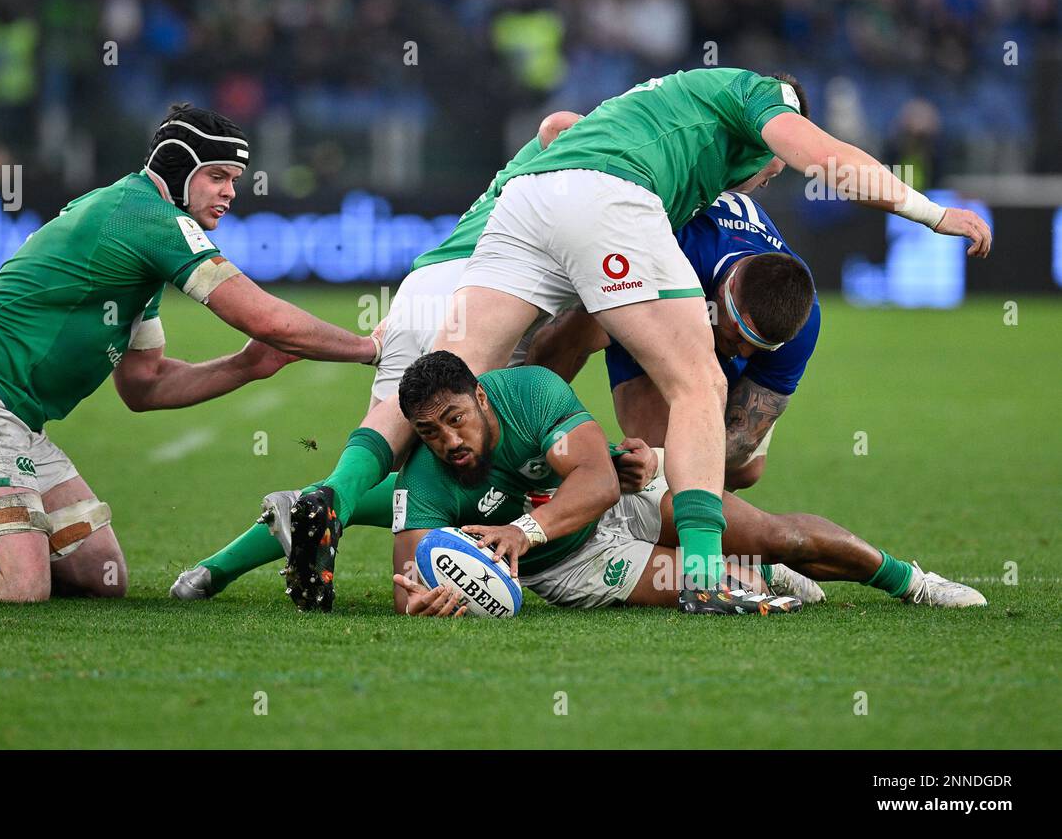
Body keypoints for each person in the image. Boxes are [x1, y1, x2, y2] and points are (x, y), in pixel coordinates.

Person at [291, 67, 992, 613]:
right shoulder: (757, 96)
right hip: (605, 197)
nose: (769, 173)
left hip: (530, 196)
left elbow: (560, 123)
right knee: (701, 383)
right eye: (771, 164)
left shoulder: (667, 109)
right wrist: (931, 212)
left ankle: (333, 496)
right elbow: (830, 160)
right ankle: (708, 576)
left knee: (447, 373)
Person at [0, 104, 384, 603]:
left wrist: (246, 366)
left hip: (11, 421)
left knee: (100, 575)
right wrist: (370, 348)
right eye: (217, 176)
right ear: (177, 167)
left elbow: (143, 386)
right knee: (20, 586)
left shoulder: (138, 236)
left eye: (235, 179)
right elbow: (267, 319)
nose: (231, 192)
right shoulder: (150, 217)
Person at [170, 111, 583, 609]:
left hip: (422, 293)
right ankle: (325, 515)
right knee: (456, 479)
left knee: (405, 481)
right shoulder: (611, 171)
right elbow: (559, 124)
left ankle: (219, 567)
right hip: (488, 292)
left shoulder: (515, 182)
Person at [390, 351, 986, 616]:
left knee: (776, 534)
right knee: (723, 591)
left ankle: (912, 582)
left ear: (483, 397)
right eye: (431, 431)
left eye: (456, 419)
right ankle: (762, 574)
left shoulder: (528, 392)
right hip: (570, 564)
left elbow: (598, 480)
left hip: (623, 497)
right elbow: (408, 572)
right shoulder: (426, 478)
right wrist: (423, 598)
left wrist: (521, 531)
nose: (449, 441)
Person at [527, 190, 819, 490]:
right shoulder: (674, 256)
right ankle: (523, 446)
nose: (745, 352)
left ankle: (678, 510)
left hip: (705, 314)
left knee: (742, 471)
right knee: (662, 447)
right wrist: (529, 421)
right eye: (740, 334)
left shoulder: (804, 321)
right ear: (723, 293)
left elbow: (742, 437)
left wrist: (658, 461)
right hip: (659, 302)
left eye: (762, 347)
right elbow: (565, 339)